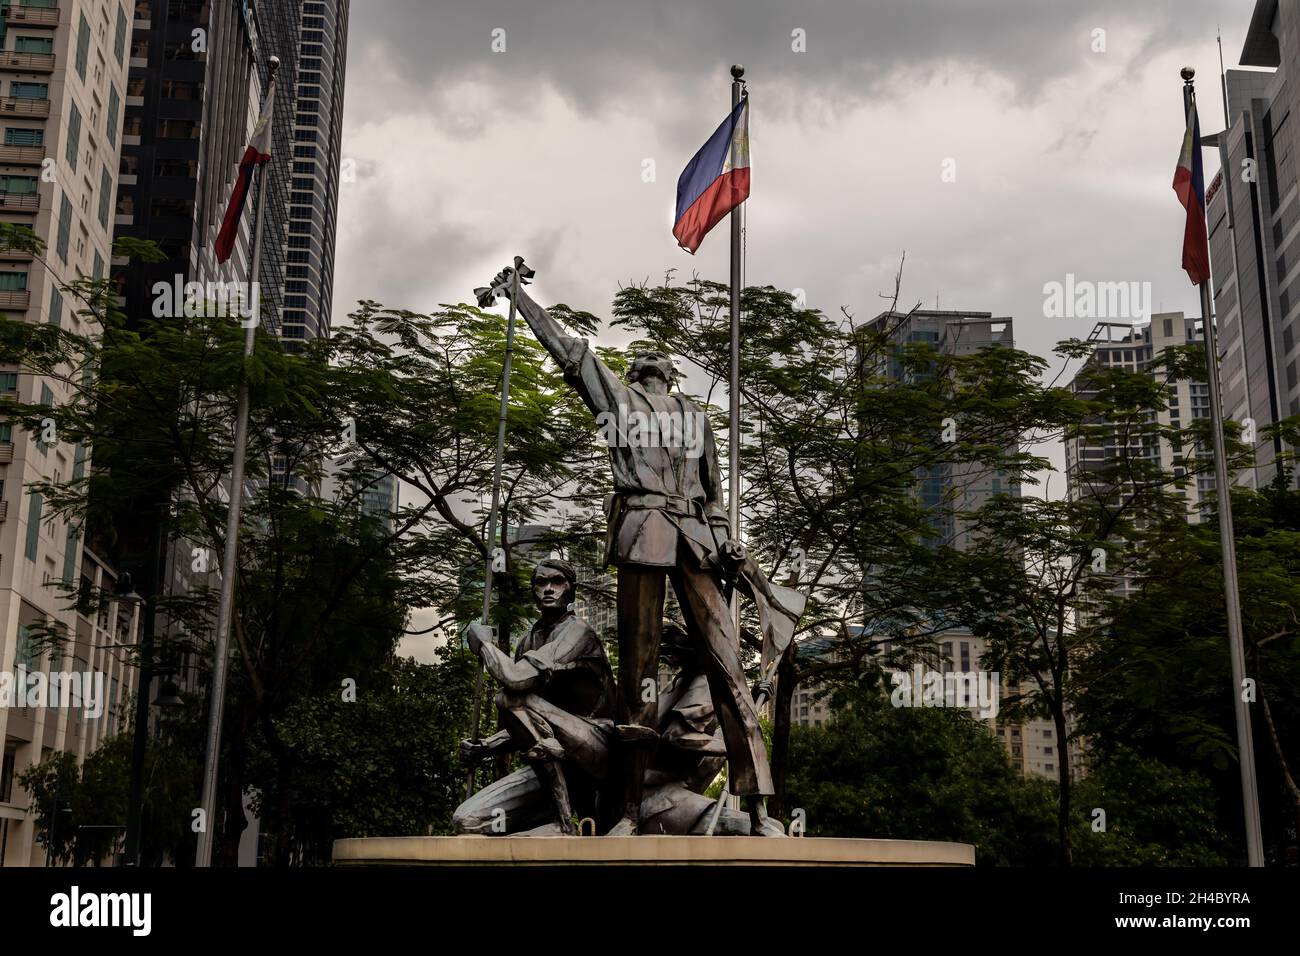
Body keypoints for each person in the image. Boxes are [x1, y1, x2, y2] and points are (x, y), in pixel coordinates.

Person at [485, 265, 778, 836]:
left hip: (688, 540)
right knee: (660, 672)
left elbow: (714, 496)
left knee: (718, 671)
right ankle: (633, 811)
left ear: (653, 374)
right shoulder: (638, 404)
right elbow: (572, 354)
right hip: (655, 533)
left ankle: (751, 808)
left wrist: (729, 545)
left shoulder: (687, 416)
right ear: (655, 375)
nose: (653, 371)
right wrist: (520, 298)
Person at [454, 558, 616, 835]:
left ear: (571, 590)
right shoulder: (528, 641)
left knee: (509, 697)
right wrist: (486, 747)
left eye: (557, 582)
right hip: (556, 762)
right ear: (533, 591)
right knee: (467, 820)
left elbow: (515, 682)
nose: (549, 589)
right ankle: (550, 818)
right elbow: (529, 721)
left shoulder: (579, 632)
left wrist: (484, 646)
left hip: (598, 749)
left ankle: (563, 823)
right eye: (541, 583)